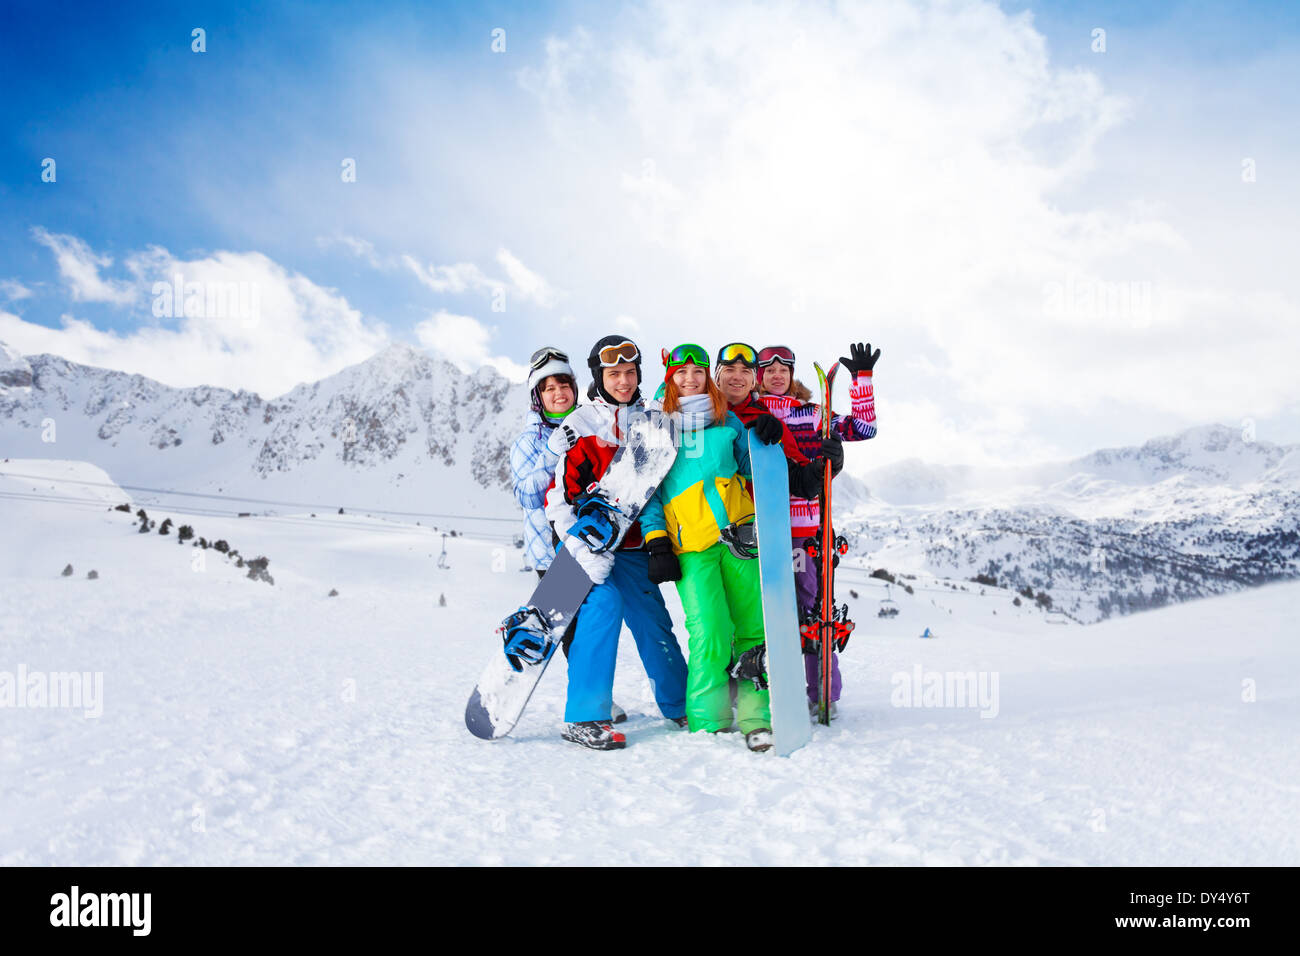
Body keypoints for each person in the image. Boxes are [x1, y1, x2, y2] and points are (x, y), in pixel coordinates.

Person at [640, 344, 810, 753]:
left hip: (742, 538)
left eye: (697, 372)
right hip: (692, 548)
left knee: (753, 629)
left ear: (706, 377)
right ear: (670, 379)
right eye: (681, 373)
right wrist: (656, 540)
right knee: (709, 633)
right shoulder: (654, 429)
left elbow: (755, 470)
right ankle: (707, 719)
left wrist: (768, 442)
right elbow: (645, 495)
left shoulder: (727, 420)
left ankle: (757, 717)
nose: (690, 379)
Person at [543, 335, 690, 750]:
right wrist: (579, 545)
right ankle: (584, 717)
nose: (623, 381)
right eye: (614, 374)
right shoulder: (582, 424)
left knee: (652, 617)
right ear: (599, 377)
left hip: (632, 547)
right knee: (603, 605)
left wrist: (659, 542)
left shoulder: (653, 419)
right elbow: (558, 496)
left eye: (630, 373)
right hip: (584, 545)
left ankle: (680, 703)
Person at [757, 342, 879, 714]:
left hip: (805, 528)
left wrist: (863, 380)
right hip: (760, 525)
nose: (777, 375)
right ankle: (768, 688)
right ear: (758, 376)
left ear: (793, 376)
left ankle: (822, 692)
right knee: (766, 612)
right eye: (769, 370)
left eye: (784, 370)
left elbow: (863, 428)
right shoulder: (746, 412)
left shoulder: (811, 413)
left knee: (810, 609)